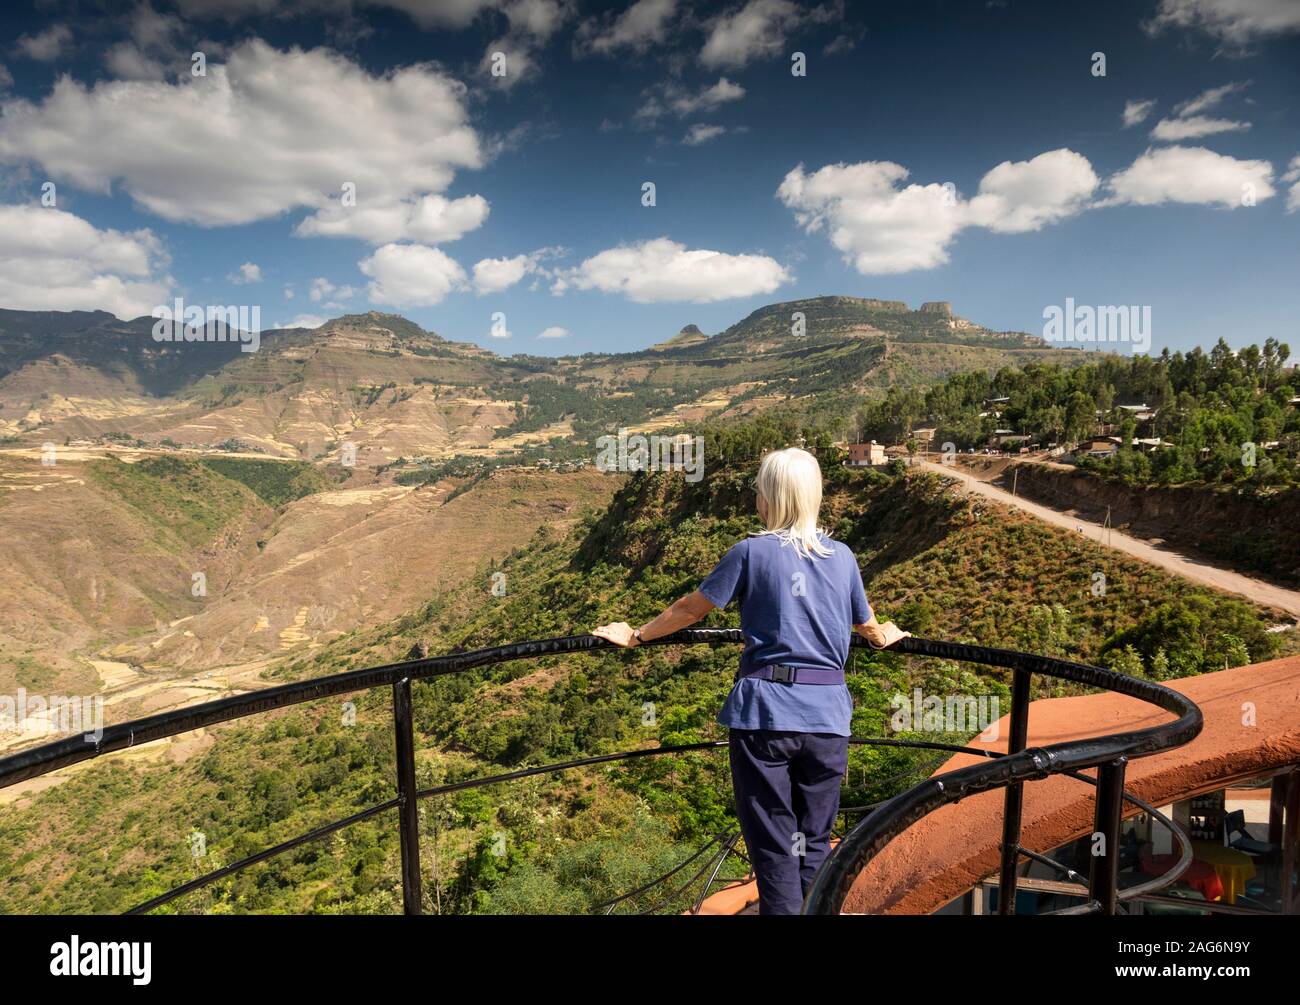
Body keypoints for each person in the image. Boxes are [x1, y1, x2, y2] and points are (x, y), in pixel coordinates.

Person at [593, 446, 908, 914]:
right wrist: (887, 635)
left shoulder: (750, 553)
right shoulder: (842, 557)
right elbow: (869, 627)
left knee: (773, 842)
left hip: (766, 715)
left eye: (760, 490)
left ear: (770, 499)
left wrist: (636, 634)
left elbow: (689, 610)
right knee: (813, 839)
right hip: (828, 718)